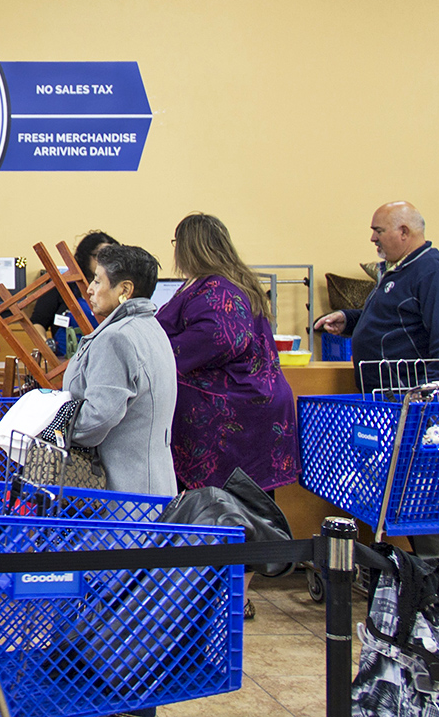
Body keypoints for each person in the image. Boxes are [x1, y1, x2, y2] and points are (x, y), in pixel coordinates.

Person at [314, 200, 439, 563]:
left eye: (379, 230)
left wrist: (434, 406)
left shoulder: (435, 273)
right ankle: (425, 574)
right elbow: (398, 320)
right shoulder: (401, 271)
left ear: (405, 232)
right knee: (409, 496)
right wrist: (351, 320)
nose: (372, 238)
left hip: (425, 406)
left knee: (430, 497)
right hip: (395, 401)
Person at [157, 213, 300, 620]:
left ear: (190, 246)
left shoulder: (219, 289)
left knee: (240, 506)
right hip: (250, 411)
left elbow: (218, 338)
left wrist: (155, 356)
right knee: (245, 502)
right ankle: (232, 594)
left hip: (234, 420)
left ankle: (235, 597)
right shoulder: (228, 283)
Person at [63, 244, 177, 497]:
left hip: (122, 490)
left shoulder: (117, 338)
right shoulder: (151, 328)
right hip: (153, 481)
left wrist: (56, 424)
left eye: (97, 281)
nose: (89, 290)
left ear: (125, 289)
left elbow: (98, 417)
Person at [31, 230, 120, 356]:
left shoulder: (117, 289)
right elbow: (37, 323)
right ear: (85, 257)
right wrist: (46, 348)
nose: (105, 263)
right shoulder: (62, 287)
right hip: (65, 363)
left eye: (111, 258)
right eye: (99, 256)